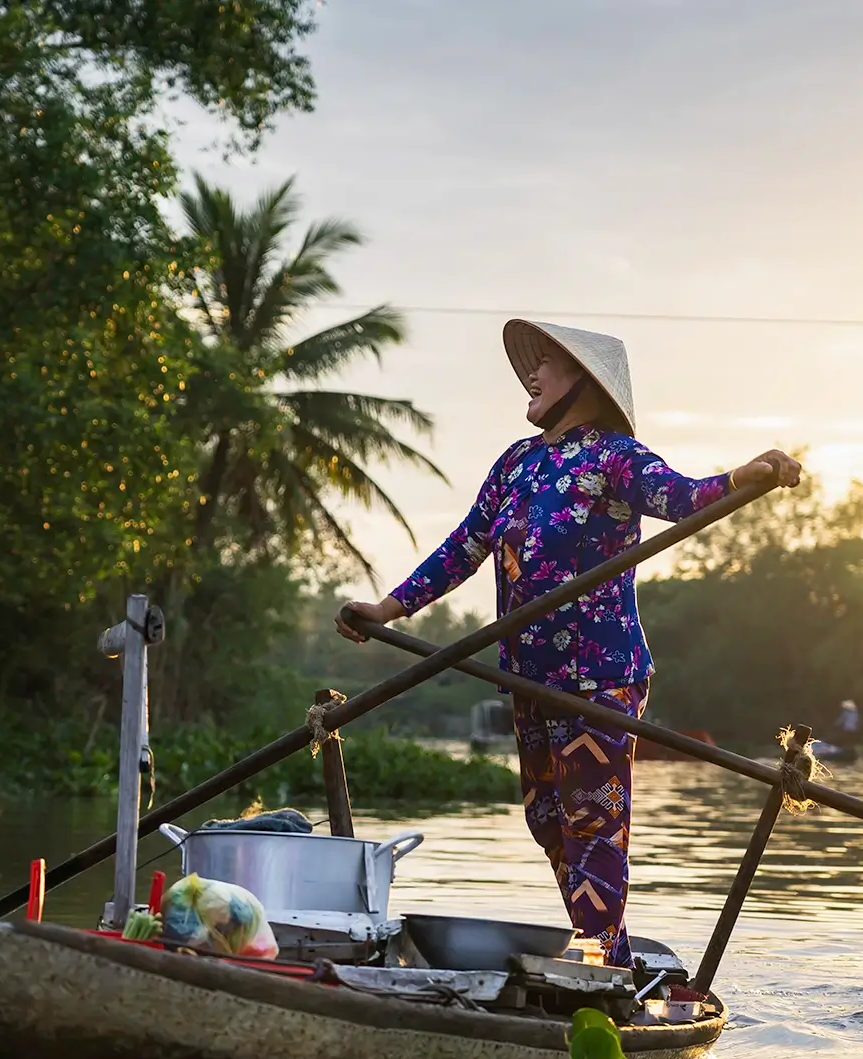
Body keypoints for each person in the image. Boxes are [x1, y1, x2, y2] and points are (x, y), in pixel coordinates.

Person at [335, 319, 801, 966]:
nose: (531, 374)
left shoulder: (614, 456)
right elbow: (464, 546)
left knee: (591, 825)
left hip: (598, 676)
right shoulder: (517, 462)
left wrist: (748, 475)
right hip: (527, 677)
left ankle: (602, 958)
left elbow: (681, 497)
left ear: (584, 380)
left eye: (546, 364)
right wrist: (385, 608)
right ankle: (602, 943)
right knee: (545, 819)